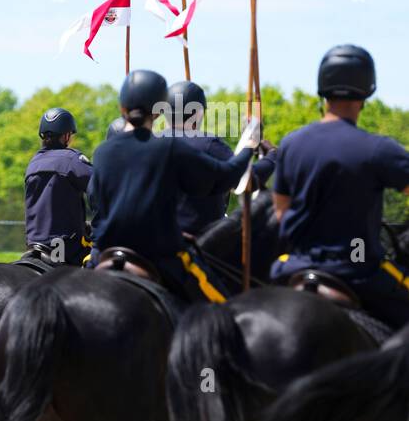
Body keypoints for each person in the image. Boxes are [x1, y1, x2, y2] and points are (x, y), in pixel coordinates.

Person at [87, 69, 258, 303]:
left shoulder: (102, 152)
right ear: (158, 111)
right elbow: (227, 177)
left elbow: (95, 201)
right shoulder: (167, 147)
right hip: (159, 255)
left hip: (104, 253)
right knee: (222, 310)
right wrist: (249, 146)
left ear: (122, 108)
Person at [271, 45, 409, 328]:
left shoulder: (291, 144)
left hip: (294, 267)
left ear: (322, 88)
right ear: (367, 91)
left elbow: (280, 213)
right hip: (357, 271)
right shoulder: (378, 149)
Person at [164, 80, 275, 235]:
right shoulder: (209, 144)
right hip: (201, 243)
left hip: (154, 239)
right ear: (199, 113)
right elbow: (246, 180)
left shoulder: (149, 142)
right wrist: (271, 158)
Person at [23, 107, 92, 265]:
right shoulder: (72, 159)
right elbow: (101, 188)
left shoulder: (33, 163)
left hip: (33, 245)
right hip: (64, 248)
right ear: (66, 135)